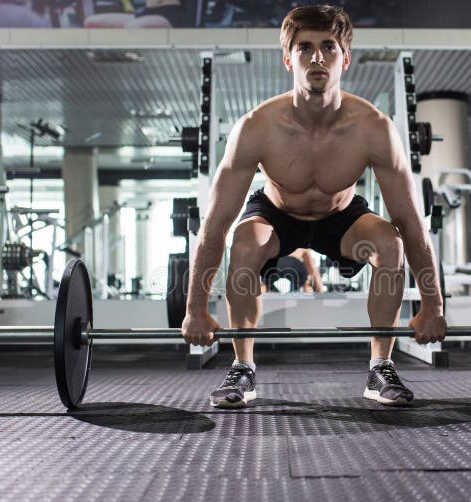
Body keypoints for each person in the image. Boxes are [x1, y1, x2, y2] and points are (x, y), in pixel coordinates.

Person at [182, 4, 446, 408]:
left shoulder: (374, 128)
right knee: (243, 240)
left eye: (329, 47)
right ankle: (243, 369)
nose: (317, 57)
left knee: (389, 242)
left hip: (341, 218)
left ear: (346, 59)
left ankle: (380, 368)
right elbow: (213, 226)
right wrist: (195, 310)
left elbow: (411, 222)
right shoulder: (256, 127)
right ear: (288, 59)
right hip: (275, 214)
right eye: (305, 47)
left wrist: (432, 305)